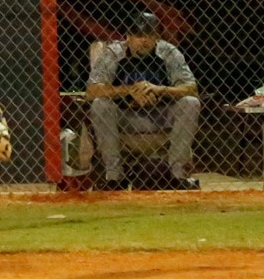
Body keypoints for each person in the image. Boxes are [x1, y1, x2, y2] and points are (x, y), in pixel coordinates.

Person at [86, 11, 202, 190]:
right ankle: (114, 177)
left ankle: (177, 175)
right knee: (100, 104)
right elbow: (92, 90)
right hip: (125, 117)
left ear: (156, 37)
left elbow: (191, 88)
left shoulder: (169, 52)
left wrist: (159, 90)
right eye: (138, 35)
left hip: (160, 116)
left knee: (190, 102)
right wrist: (130, 91)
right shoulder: (114, 53)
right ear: (128, 37)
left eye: (149, 35)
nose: (144, 41)